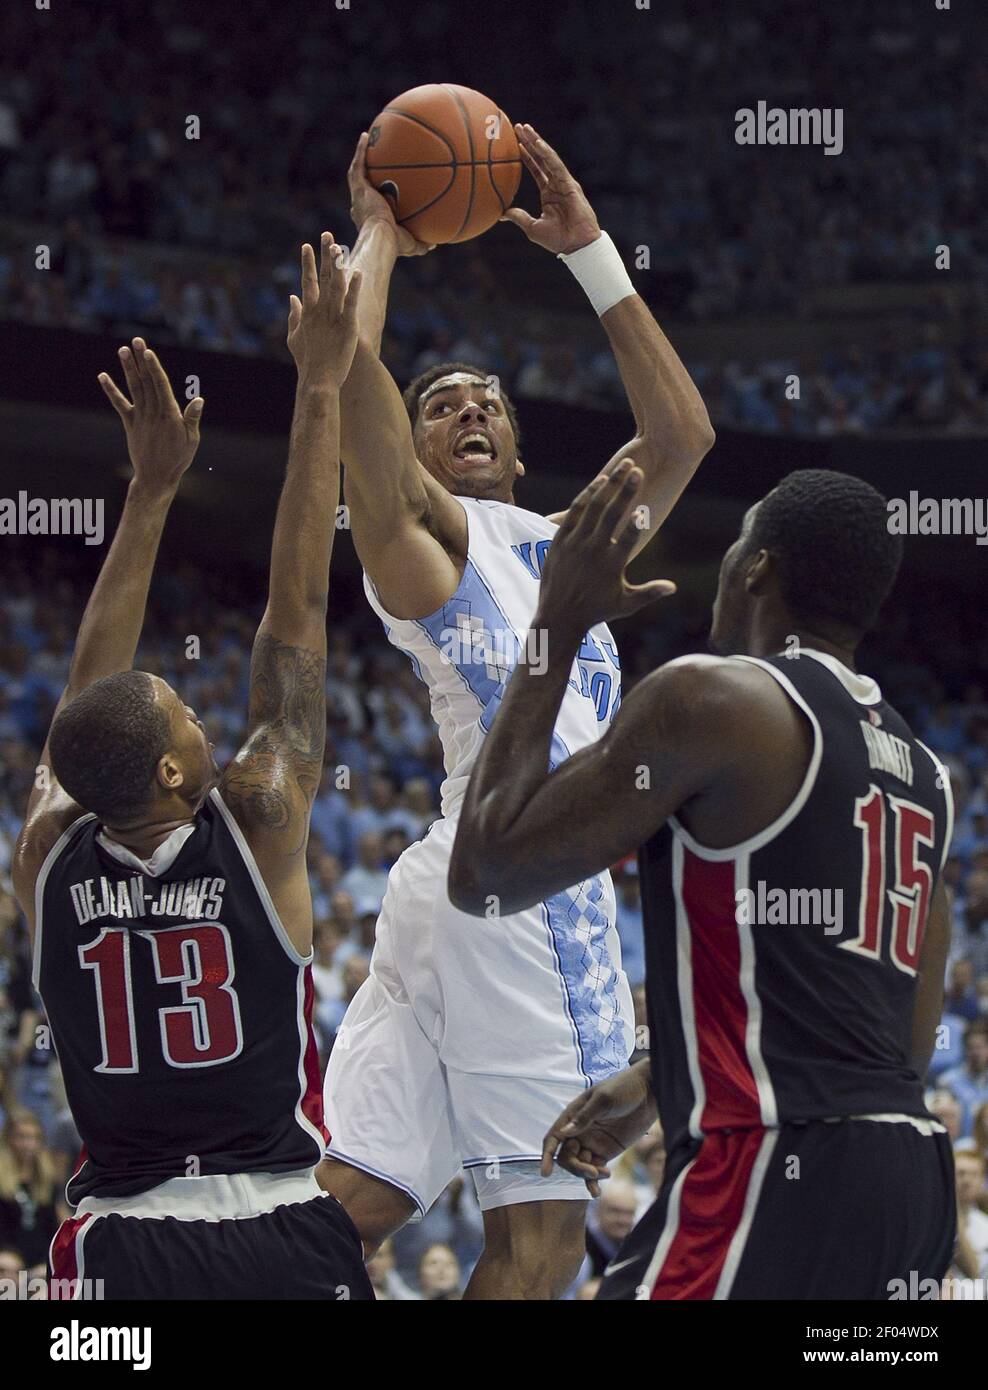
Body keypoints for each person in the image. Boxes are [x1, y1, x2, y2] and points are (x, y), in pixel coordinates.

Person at [317, 123, 714, 1300]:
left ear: (521, 442)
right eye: (443, 405)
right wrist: (382, 233)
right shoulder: (431, 541)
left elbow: (684, 434)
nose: (471, 406)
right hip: (521, 891)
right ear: (424, 450)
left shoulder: (563, 539)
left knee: (350, 1211)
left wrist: (591, 253)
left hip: (442, 909)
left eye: (489, 397)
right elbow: (349, 389)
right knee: (537, 1246)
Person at [450, 463, 955, 1300]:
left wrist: (559, 623)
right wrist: (663, 1075)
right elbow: (894, 1039)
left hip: (773, 1161)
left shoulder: (717, 700)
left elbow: (488, 869)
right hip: (908, 1181)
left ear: (757, 566)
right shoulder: (928, 776)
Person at [11, 238, 373, 1300]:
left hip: (125, 1252)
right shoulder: (259, 819)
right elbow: (296, 615)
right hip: (284, 1234)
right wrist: (319, 385)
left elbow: (86, 709)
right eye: (185, 712)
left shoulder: (45, 859)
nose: (198, 705)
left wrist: (150, 496)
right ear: (174, 773)